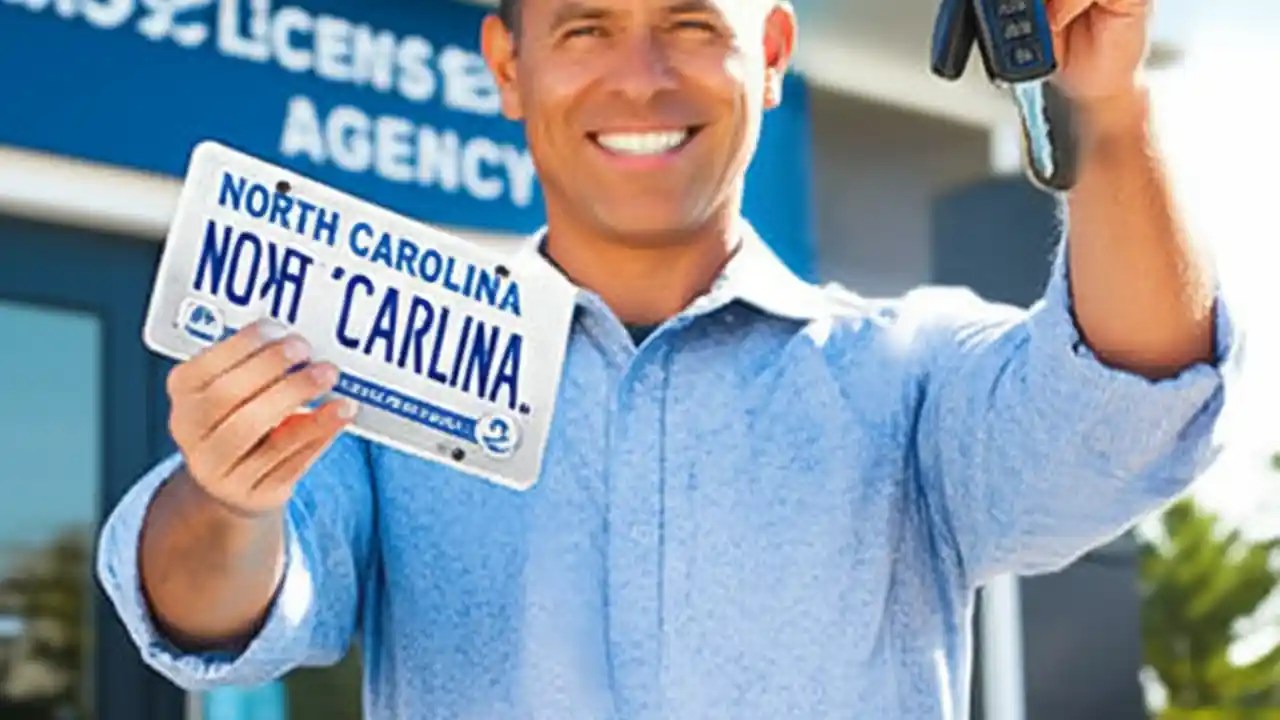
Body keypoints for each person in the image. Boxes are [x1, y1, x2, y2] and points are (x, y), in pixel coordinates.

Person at [96, 0, 1240, 717]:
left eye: (691, 22)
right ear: (506, 64)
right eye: (586, 26)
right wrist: (226, 496)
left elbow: (1122, 410)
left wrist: (1102, 105)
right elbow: (209, 617)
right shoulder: (373, 380)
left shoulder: (907, 376)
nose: (639, 78)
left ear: (774, 49)